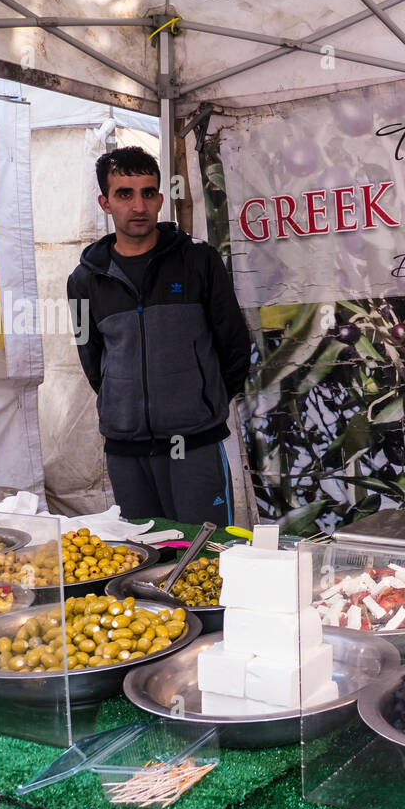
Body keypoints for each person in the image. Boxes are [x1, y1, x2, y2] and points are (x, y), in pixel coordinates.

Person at [68, 147, 252, 527]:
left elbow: (233, 345)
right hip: (126, 450)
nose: (139, 205)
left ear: (161, 199)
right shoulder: (84, 281)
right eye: (125, 194)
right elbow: (93, 359)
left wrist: (201, 403)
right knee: (142, 557)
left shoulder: (198, 261)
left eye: (148, 193)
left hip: (194, 445)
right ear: (105, 202)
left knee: (205, 557)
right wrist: (124, 405)